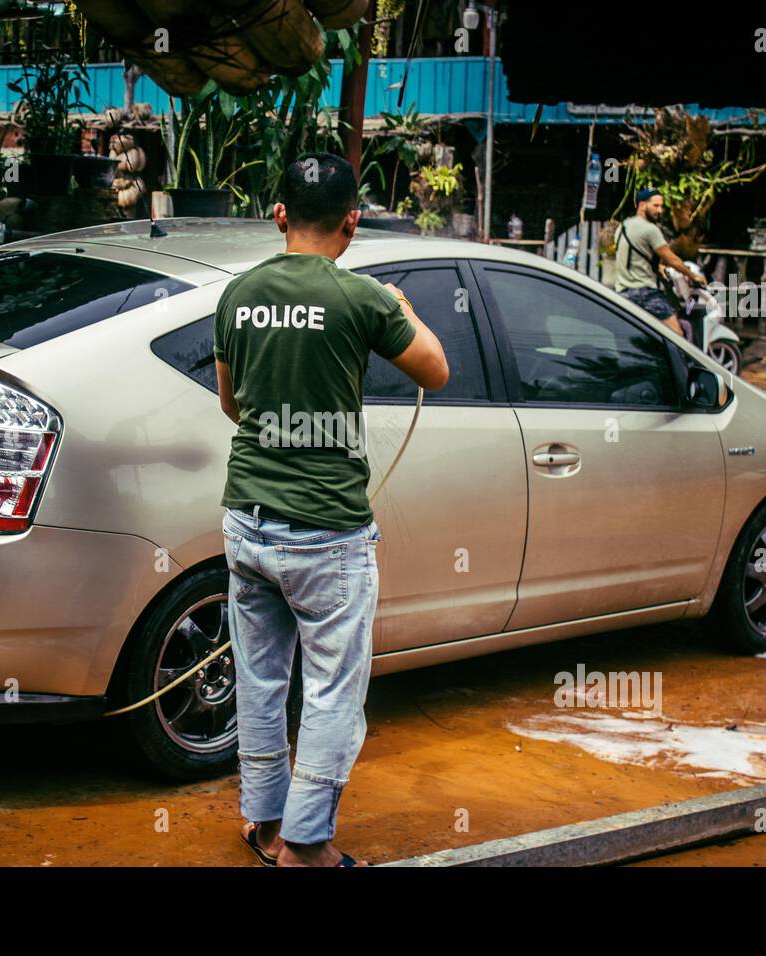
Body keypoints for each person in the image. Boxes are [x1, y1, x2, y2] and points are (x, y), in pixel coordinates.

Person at [213, 152, 448, 867]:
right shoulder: (363, 299)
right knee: (332, 693)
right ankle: (307, 848)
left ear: (279, 215)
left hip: (247, 519)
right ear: (353, 222)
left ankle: (263, 820)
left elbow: (232, 405)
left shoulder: (237, 295)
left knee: (260, 681)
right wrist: (403, 309)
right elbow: (436, 370)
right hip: (326, 532)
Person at [614, 187, 706, 338]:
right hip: (645, 294)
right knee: (677, 337)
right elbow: (672, 259)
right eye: (655, 206)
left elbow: (633, 257)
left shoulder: (623, 226)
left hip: (623, 291)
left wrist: (658, 266)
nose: (660, 210)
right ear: (642, 205)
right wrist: (692, 275)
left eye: (661, 206)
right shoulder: (650, 229)